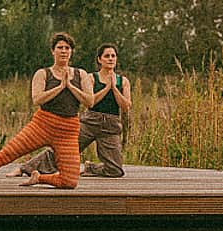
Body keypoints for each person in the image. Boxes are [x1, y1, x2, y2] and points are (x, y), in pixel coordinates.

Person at [0, 32, 92, 189]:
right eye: (60, 48)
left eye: (67, 48)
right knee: (7, 154)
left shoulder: (80, 74)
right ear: (53, 51)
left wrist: (70, 86)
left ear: (71, 51)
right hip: (43, 125)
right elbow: (37, 99)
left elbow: (90, 101)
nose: (64, 51)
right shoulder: (43, 73)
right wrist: (60, 87)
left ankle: (39, 178)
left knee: (70, 182)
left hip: (68, 130)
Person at [11, 43, 132, 179]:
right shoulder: (92, 78)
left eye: (113, 56)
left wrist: (115, 89)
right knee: (63, 148)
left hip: (111, 125)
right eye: (107, 56)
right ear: (99, 59)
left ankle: (90, 167)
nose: (110, 59)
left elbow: (126, 106)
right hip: (90, 121)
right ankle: (26, 168)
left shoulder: (123, 81)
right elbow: (90, 102)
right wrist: (106, 88)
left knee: (115, 170)